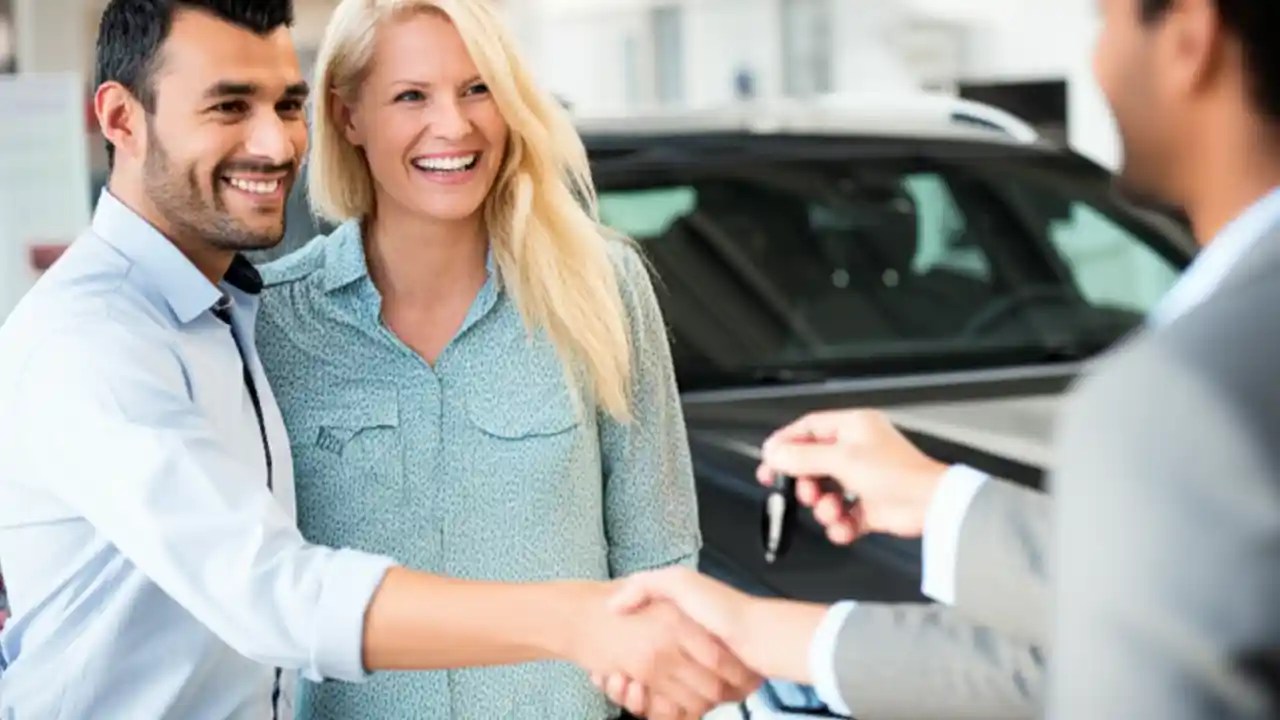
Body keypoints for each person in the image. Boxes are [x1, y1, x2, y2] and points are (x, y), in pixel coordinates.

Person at [0, 2, 757, 718]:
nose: (270, 143)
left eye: (283, 106)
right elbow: (274, 595)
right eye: (229, 106)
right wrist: (577, 619)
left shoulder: (218, 314)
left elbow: (659, 555)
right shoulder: (109, 336)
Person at [703, 0, 1280, 716]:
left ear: (1190, 38)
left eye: (1106, 24)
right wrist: (932, 500)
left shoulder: (1188, 392)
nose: (1097, 65)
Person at [251, 0, 705, 717]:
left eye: (477, 89)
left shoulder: (602, 289)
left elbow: (661, 564)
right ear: (347, 117)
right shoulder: (271, 323)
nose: (454, 126)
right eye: (411, 96)